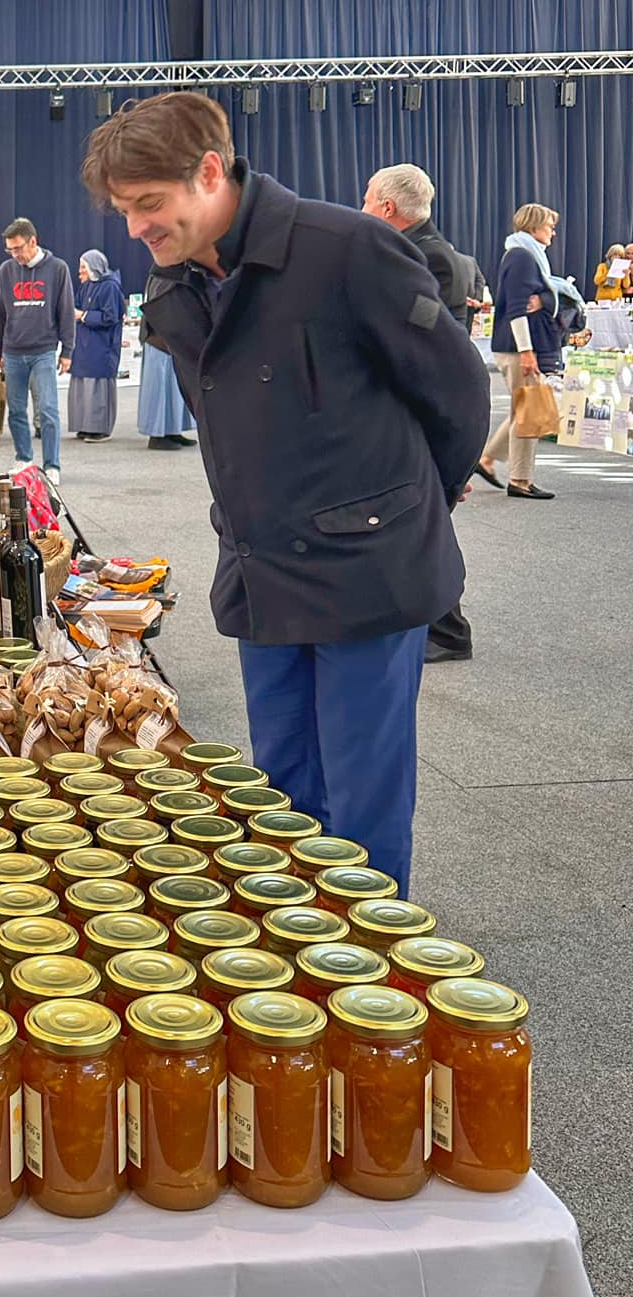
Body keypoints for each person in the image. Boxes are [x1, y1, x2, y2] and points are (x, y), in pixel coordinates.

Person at [82, 93, 489, 895]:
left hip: (369, 572)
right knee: (281, 801)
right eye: (124, 211)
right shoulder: (173, 290)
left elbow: (458, 391)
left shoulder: (348, 250)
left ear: (208, 172)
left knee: (364, 814)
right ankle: (300, 987)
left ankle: (372, 994)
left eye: (149, 206)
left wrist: (409, 509)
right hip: (261, 569)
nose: (135, 229)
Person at [361, 164, 477, 666]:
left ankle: (448, 630)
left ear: (387, 208)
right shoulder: (422, 252)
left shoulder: (424, 257)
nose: (361, 210)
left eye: (367, 201)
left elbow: (427, 357)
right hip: (415, 413)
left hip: (420, 416)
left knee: (422, 526)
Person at [478, 203, 563, 502]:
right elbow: (517, 310)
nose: (553, 231)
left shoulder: (526, 255)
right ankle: (521, 480)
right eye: (549, 226)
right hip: (518, 349)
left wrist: (542, 299)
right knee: (530, 411)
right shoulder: (523, 257)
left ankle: (487, 460)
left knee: (521, 410)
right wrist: (527, 351)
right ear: (534, 226)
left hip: (516, 348)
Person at [0, 219, 75, 485]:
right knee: (16, 409)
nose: (15, 255)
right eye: (10, 250)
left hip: (44, 351)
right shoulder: (6, 270)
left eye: (18, 249)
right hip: (13, 351)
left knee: (48, 409)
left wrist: (67, 350)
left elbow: (66, 311)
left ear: (33, 241)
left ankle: (51, 465)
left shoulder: (57, 268)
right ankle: (24, 459)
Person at [137, 281, 198, 453]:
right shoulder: (163, 274)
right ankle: (157, 435)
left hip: (173, 341)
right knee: (159, 389)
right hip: (160, 340)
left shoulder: (172, 272)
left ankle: (172, 430)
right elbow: (159, 308)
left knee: (174, 388)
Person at [69, 250, 124, 439]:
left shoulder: (110, 287)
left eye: (83, 267)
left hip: (102, 346)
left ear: (94, 267)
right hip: (83, 345)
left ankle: (99, 429)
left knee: (98, 387)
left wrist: (83, 316)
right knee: (82, 387)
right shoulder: (85, 287)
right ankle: (84, 425)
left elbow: (111, 316)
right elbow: (74, 307)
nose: (80, 271)